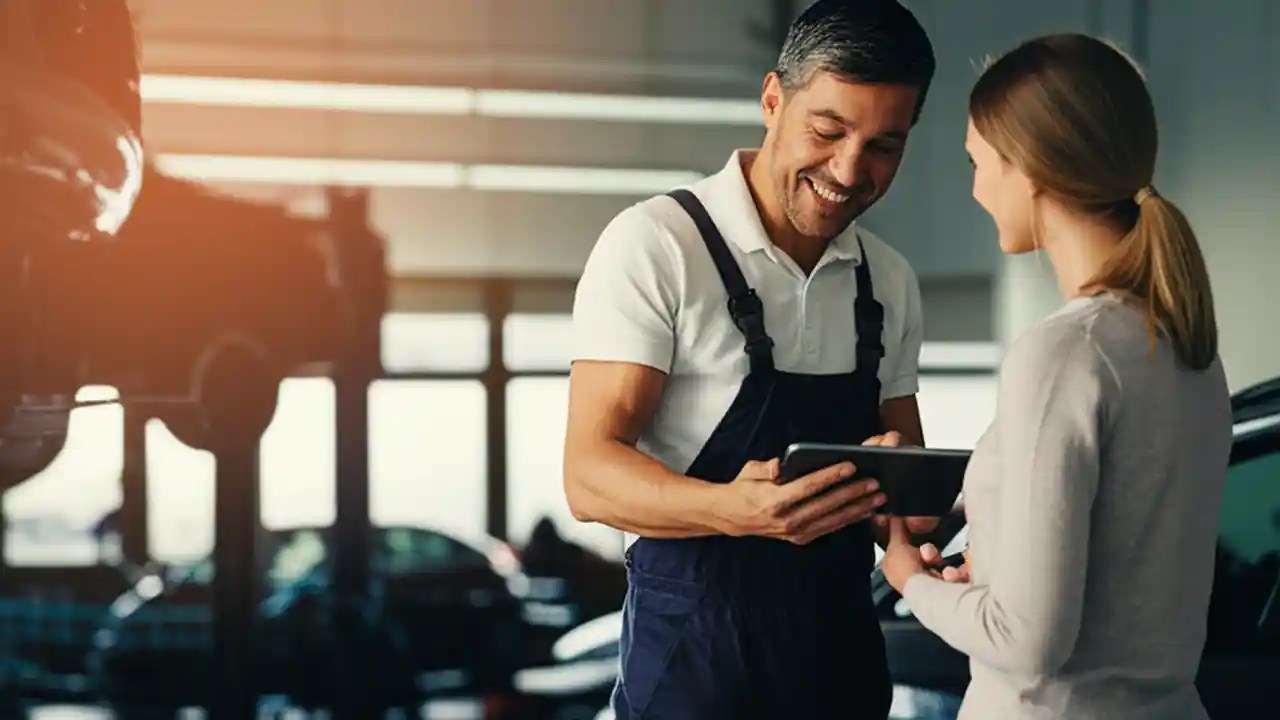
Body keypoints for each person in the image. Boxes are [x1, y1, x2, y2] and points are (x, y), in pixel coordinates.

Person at [563, 1, 937, 717]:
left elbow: (907, 510)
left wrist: (904, 495)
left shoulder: (885, 281)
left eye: (884, 146)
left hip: (839, 666)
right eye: (827, 131)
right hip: (694, 665)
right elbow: (588, 477)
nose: (849, 170)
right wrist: (734, 510)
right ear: (773, 99)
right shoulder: (658, 245)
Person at [880, 33, 1233, 720]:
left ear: (1031, 169)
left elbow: (1027, 640)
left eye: (978, 163)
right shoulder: (1185, 347)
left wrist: (909, 580)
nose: (977, 187)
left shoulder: (1065, 353)